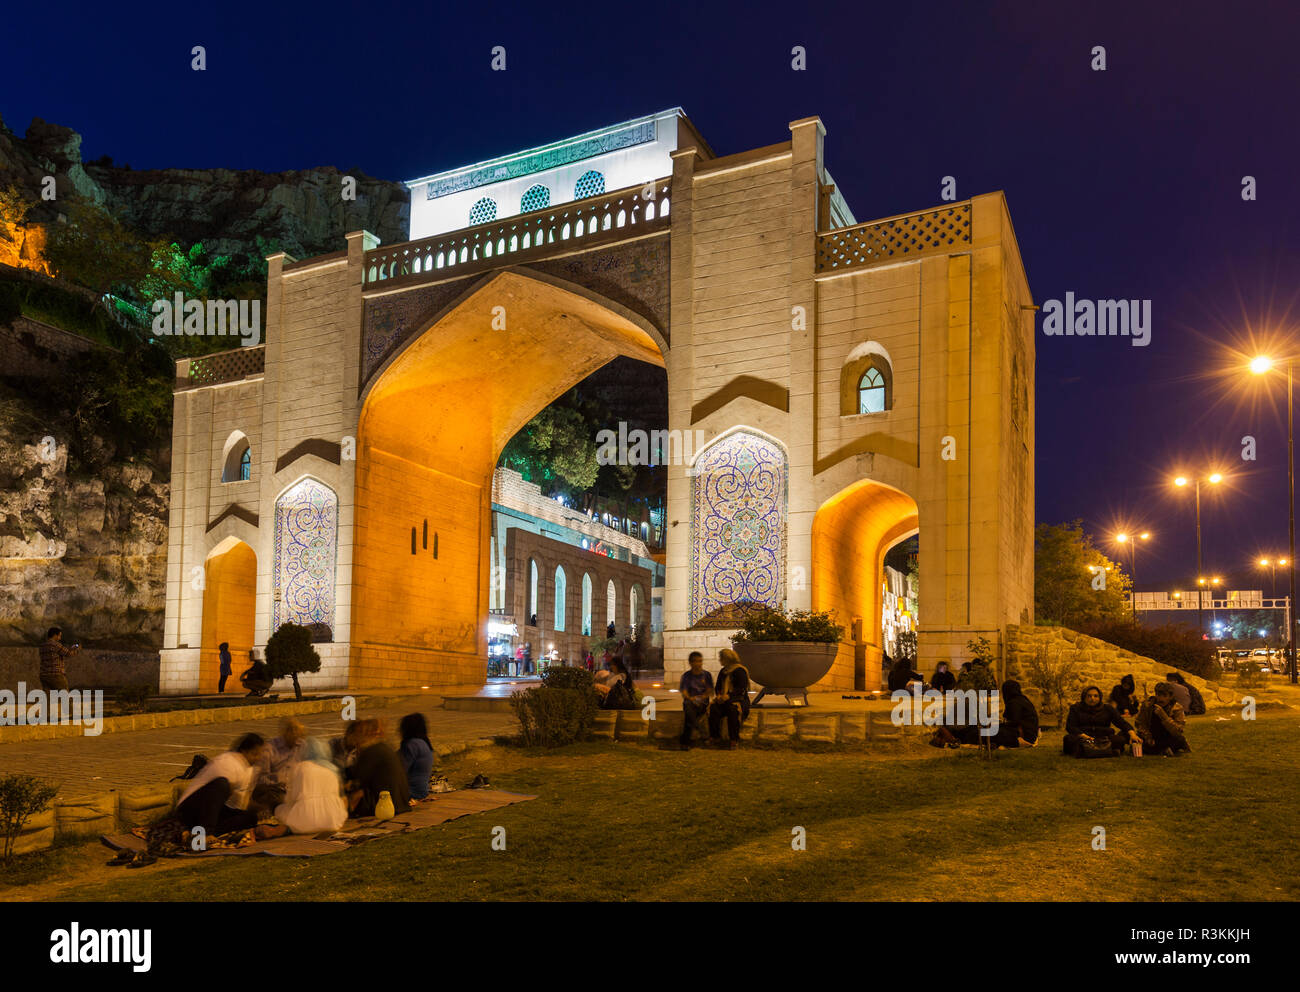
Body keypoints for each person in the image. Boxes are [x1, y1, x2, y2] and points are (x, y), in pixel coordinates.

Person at [175, 733, 265, 838]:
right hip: (191, 809)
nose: (258, 758)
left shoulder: (248, 768)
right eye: (254, 754)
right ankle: (205, 833)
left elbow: (238, 806)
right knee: (221, 784)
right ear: (244, 751)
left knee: (250, 818)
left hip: (210, 813)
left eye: (260, 755)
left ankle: (201, 832)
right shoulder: (228, 762)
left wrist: (262, 808)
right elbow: (216, 796)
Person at [274, 737, 348, 834]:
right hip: (333, 821)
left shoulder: (300, 767)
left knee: (279, 810)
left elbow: (291, 798)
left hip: (305, 821)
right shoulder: (332, 770)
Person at [345, 719, 411, 818]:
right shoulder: (383, 748)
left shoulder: (370, 752)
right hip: (400, 803)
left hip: (384, 805)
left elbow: (358, 780)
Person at [1063, 685, 1137, 757]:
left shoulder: (1107, 708)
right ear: (1084, 697)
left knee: (1119, 740)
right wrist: (1084, 736)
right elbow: (1070, 726)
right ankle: (1109, 751)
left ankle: (1085, 752)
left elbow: (1121, 723)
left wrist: (1132, 734)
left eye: (1095, 696)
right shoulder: (1076, 708)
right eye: (1089, 696)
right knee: (1069, 739)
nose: (1092, 698)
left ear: (1100, 697)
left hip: (1104, 738)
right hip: (1084, 737)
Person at [708, 648, 751, 748]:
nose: (720, 660)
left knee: (733, 711)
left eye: (721, 658)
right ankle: (715, 737)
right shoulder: (723, 671)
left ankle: (734, 739)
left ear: (727, 659)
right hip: (724, 700)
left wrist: (728, 696)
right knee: (713, 709)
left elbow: (741, 688)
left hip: (738, 700)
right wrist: (719, 695)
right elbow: (718, 686)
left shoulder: (740, 670)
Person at [1136, 682, 1190, 755]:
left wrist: (1164, 717)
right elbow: (1140, 723)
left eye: (1164, 696)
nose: (1161, 699)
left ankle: (1162, 749)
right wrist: (1148, 737)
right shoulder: (1148, 705)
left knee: (1179, 740)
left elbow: (1178, 730)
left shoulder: (1176, 708)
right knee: (1137, 740)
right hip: (1152, 736)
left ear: (1170, 697)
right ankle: (1163, 750)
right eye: (1158, 695)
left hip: (1167, 736)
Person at [678, 651, 714, 749]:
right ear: (690, 663)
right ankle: (704, 735)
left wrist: (701, 698)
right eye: (695, 661)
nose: (698, 664)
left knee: (689, 716)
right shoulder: (686, 676)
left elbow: (709, 690)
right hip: (691, 701)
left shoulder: (706, 675)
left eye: (700, 661)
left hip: (703, 702)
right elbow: (684, 691)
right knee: (689, 707)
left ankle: (685, 741)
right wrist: (691, 698)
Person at [398, 713, 434, 801]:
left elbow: (399, 770)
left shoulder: (412, 744)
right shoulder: (423, 743)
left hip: (412, 792)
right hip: (421, 791)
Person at [39, 626, 79, 692]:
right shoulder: (55, 644)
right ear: (55, 635)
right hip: (56, 675)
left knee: (48, 699)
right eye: (59, 636)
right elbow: (69, 654)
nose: (60, 638)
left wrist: (70, 649)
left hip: (44, 675)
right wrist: (77, 650)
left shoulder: (42, 646)